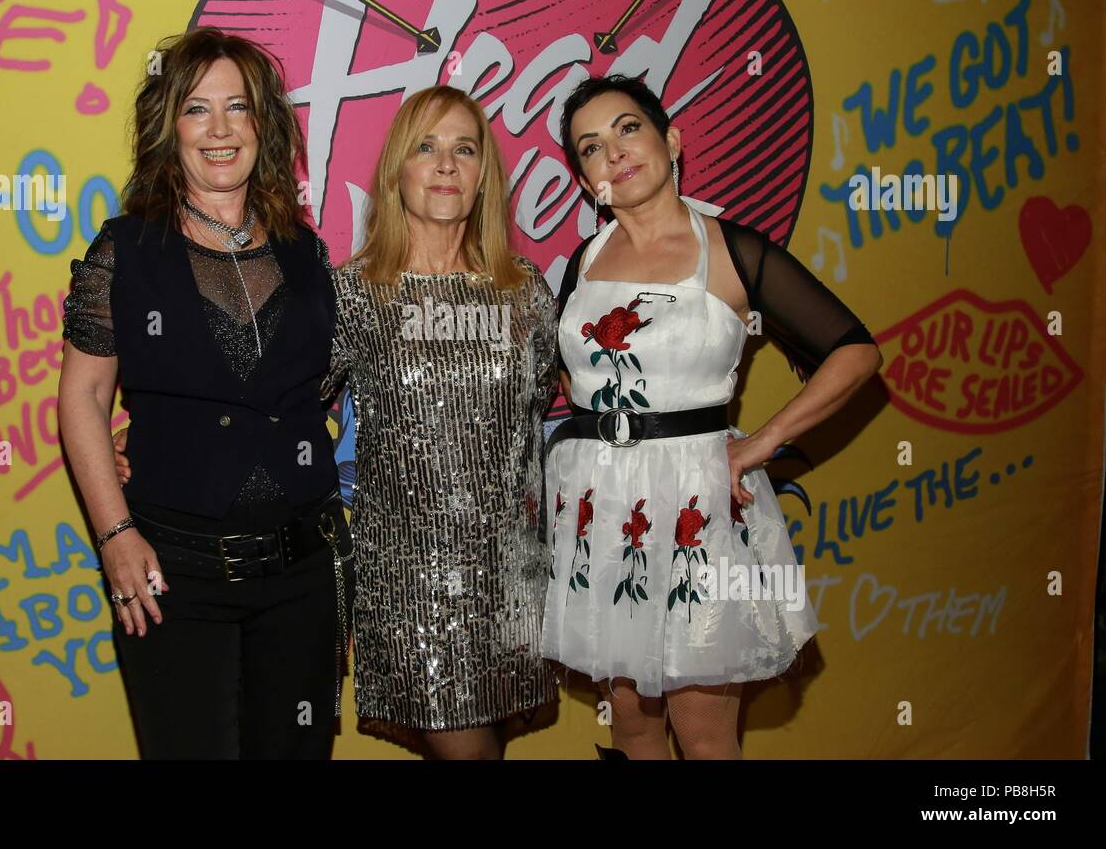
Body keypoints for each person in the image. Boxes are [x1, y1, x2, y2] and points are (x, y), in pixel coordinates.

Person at [542, 74, 883, 759]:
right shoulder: (584, 261)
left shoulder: (732, 252)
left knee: (705, 736)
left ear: (671, 139)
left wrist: (764, 442)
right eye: (591, 146)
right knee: (633, 724)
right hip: (603, 514)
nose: (614, 152)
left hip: (699, 505)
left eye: (629, 128)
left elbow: (855, 353)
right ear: (584, 180)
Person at [58, 27, 352, 760]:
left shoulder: (307, 252)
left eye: (239, 108)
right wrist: (116, 535)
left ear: (266, 126)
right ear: (169, 128)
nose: (220, 130)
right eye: (197, 109)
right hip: (172, 572)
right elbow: (83, 400)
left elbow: (317, 388)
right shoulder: (124, 250)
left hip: (303, 574)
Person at [322, 86, 559, 759]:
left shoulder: (525, 293)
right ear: (397, 171)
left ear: (484, 174)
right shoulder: (357, 293)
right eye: (426, 148)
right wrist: (171, 430)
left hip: (509, 577)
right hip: (410, 579)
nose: (446, 165)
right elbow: (286, 409)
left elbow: (564, 402)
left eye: (464, 149)